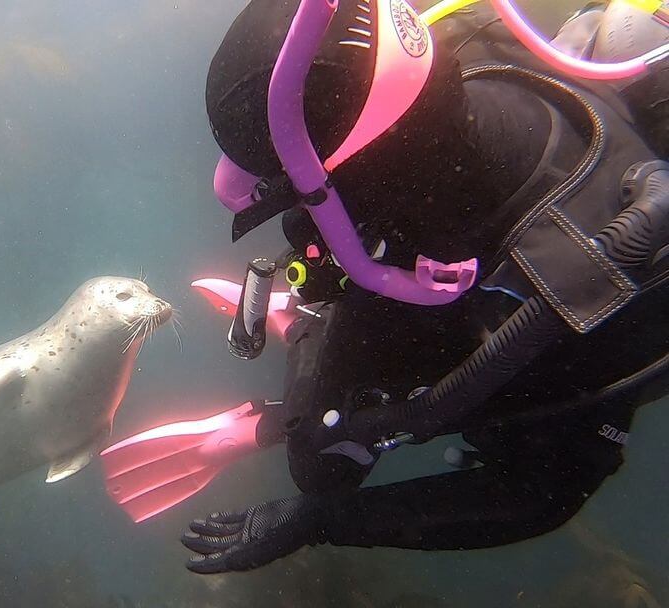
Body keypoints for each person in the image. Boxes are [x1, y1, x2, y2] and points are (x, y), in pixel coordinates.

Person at [98, 0, 669, 574]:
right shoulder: (469, 48)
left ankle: (286, 368)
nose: (294, 221)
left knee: (322, 466)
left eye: (296, 188)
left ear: (376, 165)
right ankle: (304, 323)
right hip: (445, 226)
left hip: (510, 310)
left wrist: (319, 520)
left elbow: (542, 497)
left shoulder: (595, 280)